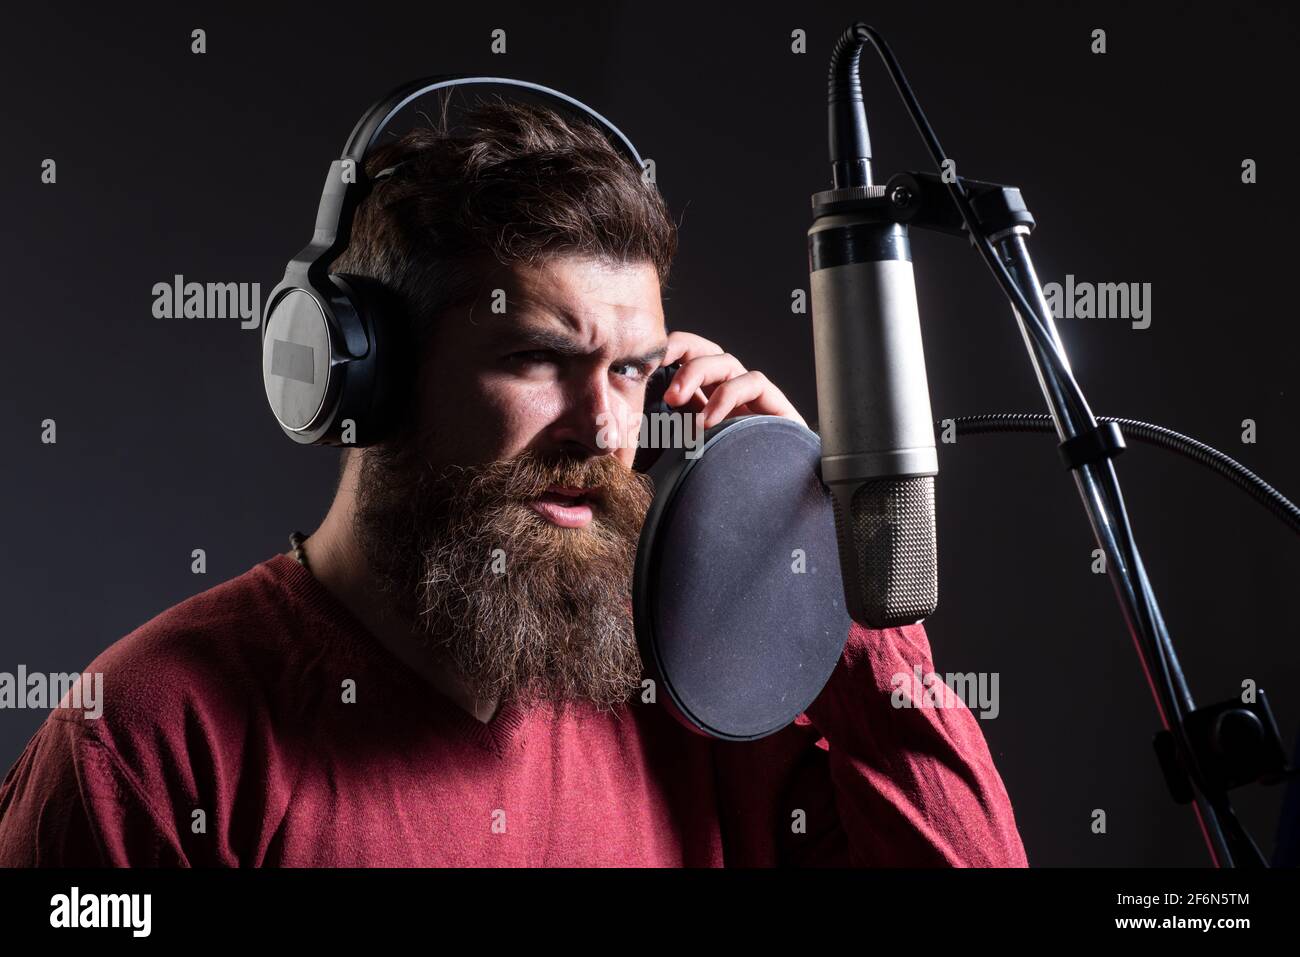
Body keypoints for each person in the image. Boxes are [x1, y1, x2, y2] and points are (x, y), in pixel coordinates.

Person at [0, 97, 1027, 866]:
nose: (605, 426)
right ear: (370, 374)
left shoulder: (695, 702)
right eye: (539, 359)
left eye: (630, 370)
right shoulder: (143, 737)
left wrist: (836, 560)